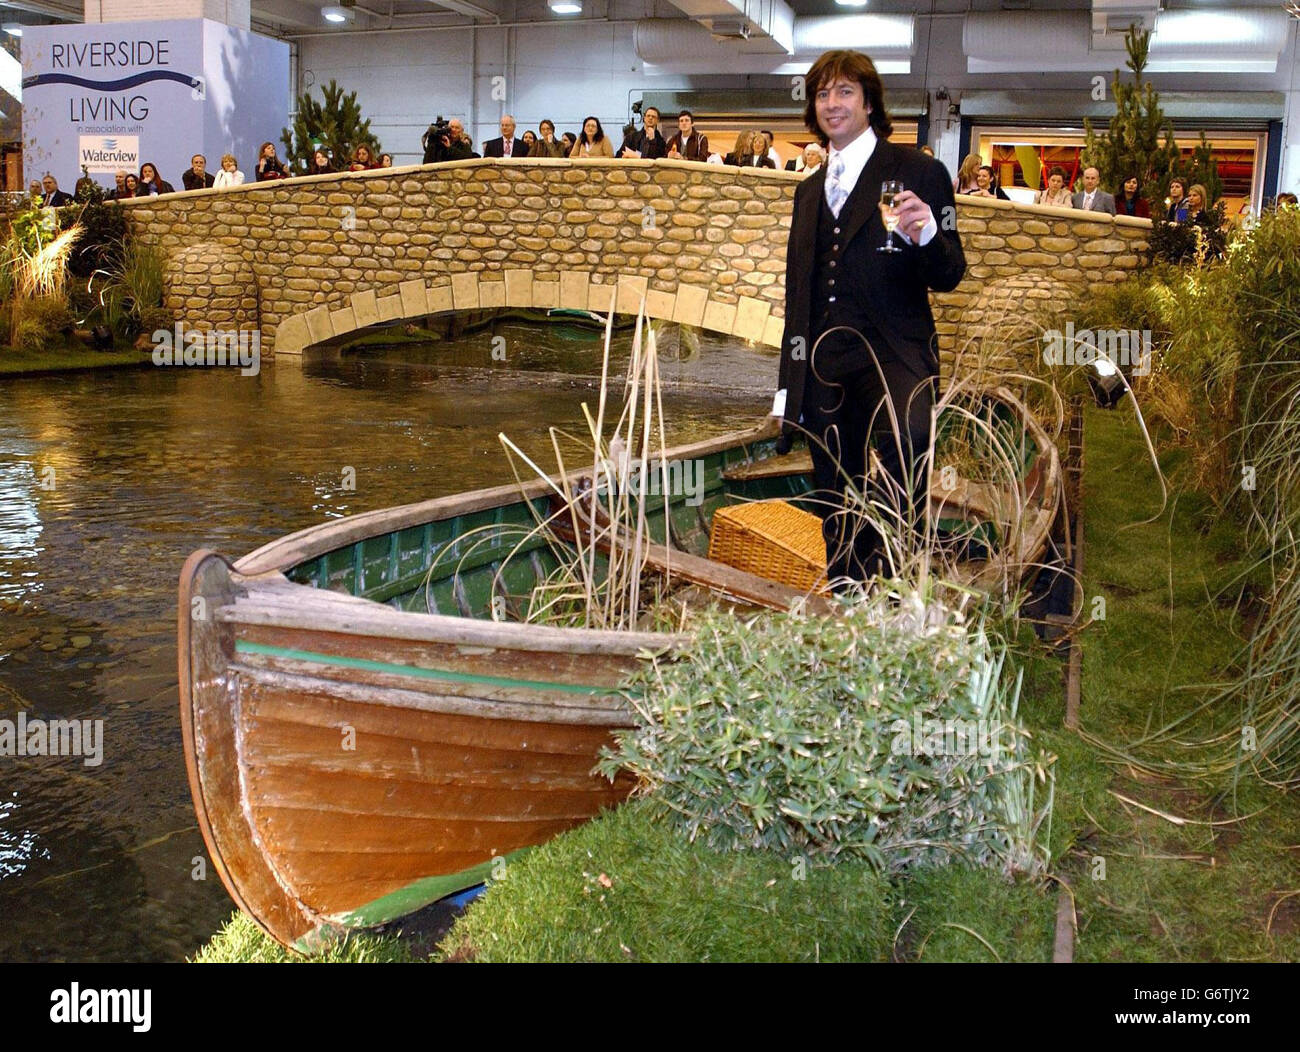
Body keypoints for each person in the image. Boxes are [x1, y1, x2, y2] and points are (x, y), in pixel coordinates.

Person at [776, 48, 966, 585]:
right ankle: (846, 598)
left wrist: (928, 232)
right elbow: (799, 293)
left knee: (903, 453)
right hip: (824, 364)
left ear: (868, 102)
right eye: (822, 94)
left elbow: (951, 271)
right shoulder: (807, 192)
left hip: (895, 355)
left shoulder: (919, 171)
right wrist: (788, 387)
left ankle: (895, 586)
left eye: (844, 92)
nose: (832, 104)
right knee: (834, 493)